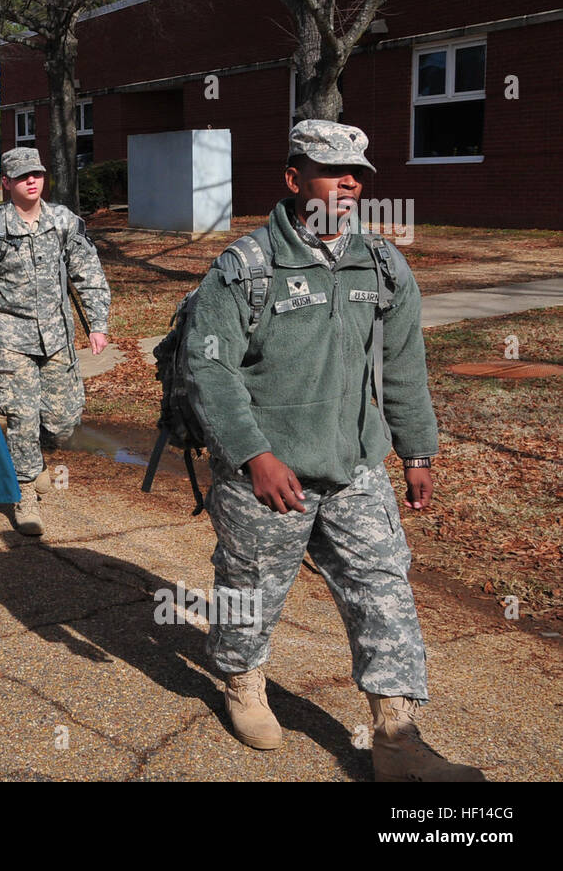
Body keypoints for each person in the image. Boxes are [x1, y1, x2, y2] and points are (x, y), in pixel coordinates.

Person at [184, 119, 483, 782]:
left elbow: (404, 366)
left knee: (384, 590)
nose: (349, 182)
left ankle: (397, 736)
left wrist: (418, 451)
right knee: (251, 592)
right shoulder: (245, 267)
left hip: (354, 467)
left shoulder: (380, 263)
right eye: (332, 170)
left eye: (358, 174)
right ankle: (241, 680)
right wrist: (253, 453)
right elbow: (209, 370)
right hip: (266, 472)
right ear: (294, 179)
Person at [0, 147, 110, 537]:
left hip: (57, 336)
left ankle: (32, 462)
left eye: (37, 174)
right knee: (21, 418)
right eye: (22, 176)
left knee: (64, 420)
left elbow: (88, 272)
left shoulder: (64, 222)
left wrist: (97, 324)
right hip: (9, 337)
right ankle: (24, 491)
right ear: (6, 183)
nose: (32, 181)